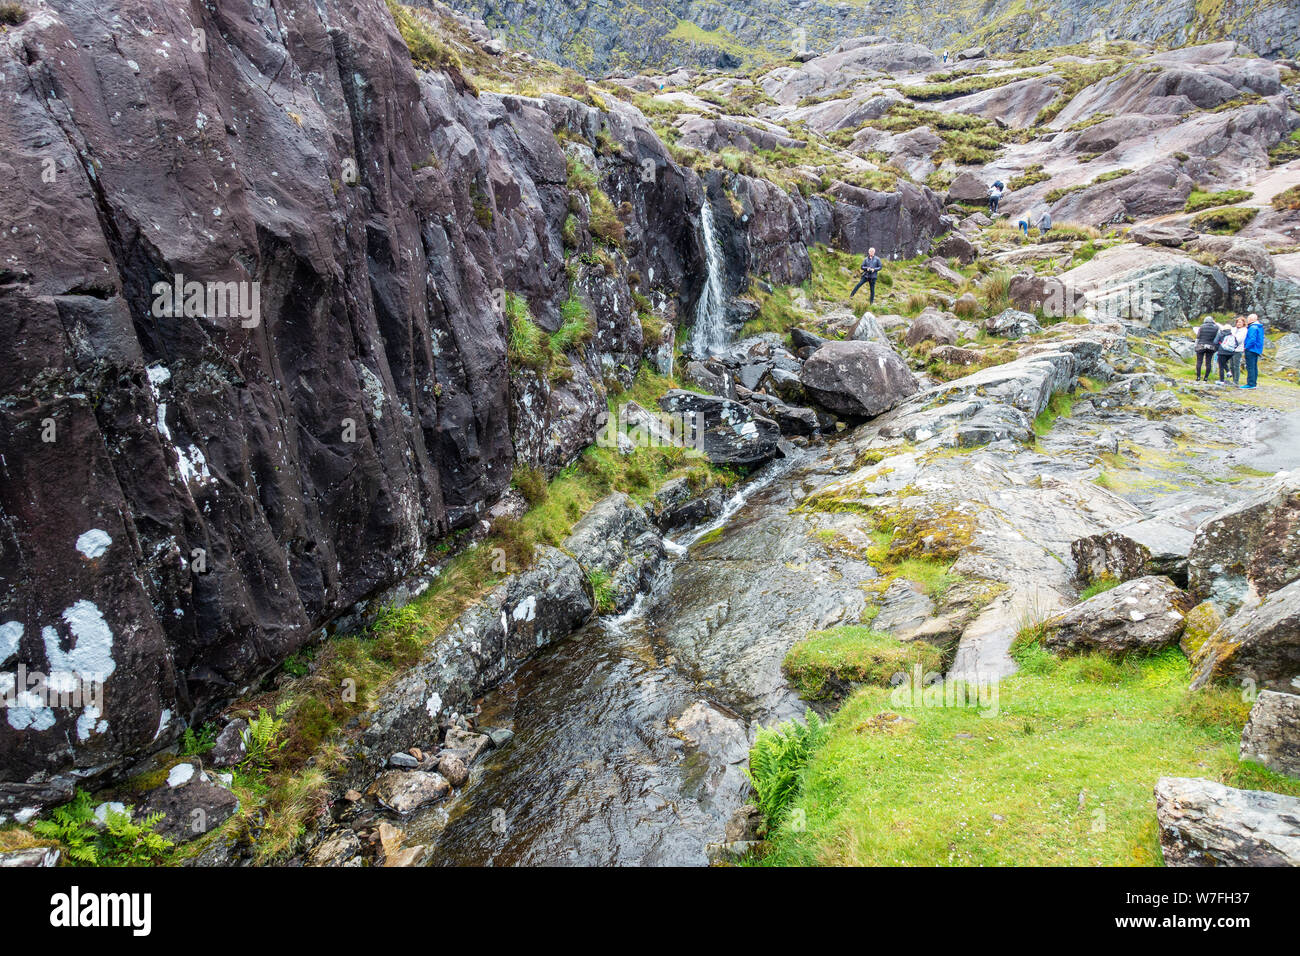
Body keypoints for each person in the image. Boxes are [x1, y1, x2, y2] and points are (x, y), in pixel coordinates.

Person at [1242, 312, 1265, 389]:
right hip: (1257, 349)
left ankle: (1250, 384)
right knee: (1254, 367)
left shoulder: (1253, 327)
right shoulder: (1259, 327)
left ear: (1251, 319)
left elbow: (1252, 339)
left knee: (1250, 367)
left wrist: (1246, 347)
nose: (1247, 320)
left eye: (1248, 319)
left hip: (1251, 349)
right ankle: (1253, 383)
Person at [1193, 314, 1219, 381]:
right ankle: (1206, 378)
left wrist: (1195, 346)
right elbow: (1217, 338)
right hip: (1211, 347)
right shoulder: (1216, 327)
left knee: (1199, 361)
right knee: (1208, 362)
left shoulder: (1202, 326)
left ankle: (1198, 377)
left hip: (1201, 345)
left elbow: (1198, 337)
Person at [1229, 315, 1248, 385]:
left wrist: (1233, 340)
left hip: (1238, 350)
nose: (1238, 324)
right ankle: (1233, 379)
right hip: (1231, 349)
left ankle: (1236, 381)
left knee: (1236, 365)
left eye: (1240, 322)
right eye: (1237, 322)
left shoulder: (1244, 330)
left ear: (1243, 323)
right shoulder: (1233, 329)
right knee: (1231, 365)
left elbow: (1239, 339)